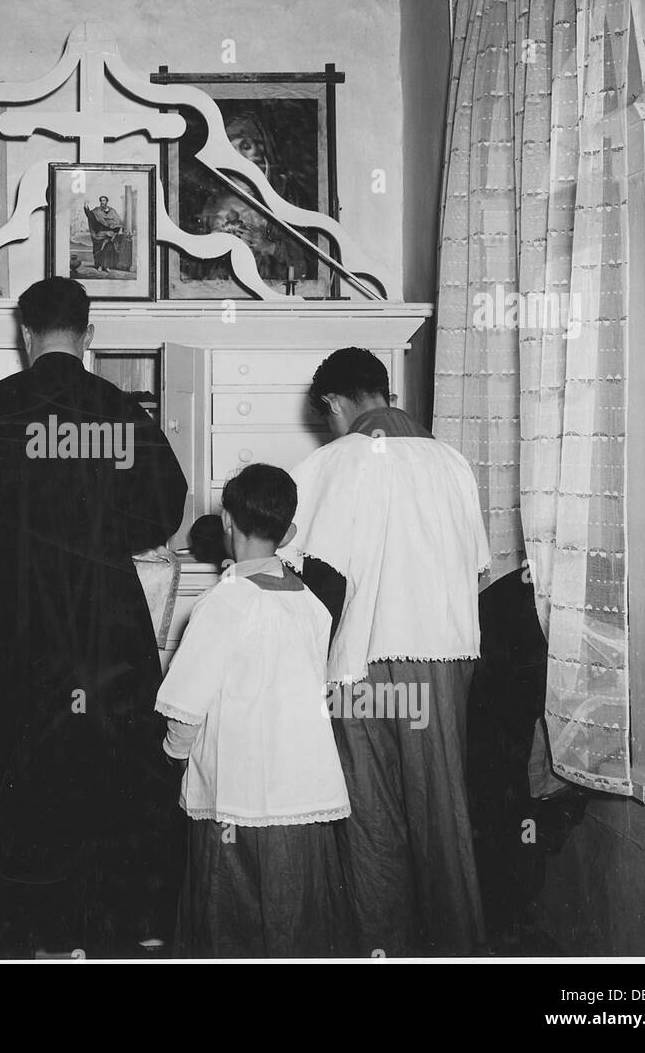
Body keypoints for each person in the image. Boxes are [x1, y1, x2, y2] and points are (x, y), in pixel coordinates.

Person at [0, 277, 188, 958]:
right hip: (101, 624)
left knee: (7, 774)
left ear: (25, 334)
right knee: (103, 771)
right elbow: (166, 507)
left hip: (8, 623)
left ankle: (9, 934)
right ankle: (103, 929)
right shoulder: (122, 415)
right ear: (88, 335)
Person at [279, 347, 491, 956]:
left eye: (328, 417)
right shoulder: (452, 461)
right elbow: (475, 567)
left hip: (363, 664)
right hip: (447, 661)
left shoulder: (331, 463)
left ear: (335, 404)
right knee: (443, 818)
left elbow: (313, 581)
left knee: (371, 819)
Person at [156, 464, 350, 957]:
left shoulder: (226, 601)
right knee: (295, 921)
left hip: (236, 800)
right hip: (302, 798)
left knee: (232, 925)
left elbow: (184, 709)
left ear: (226, 520)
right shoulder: (312, 603)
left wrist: (172, 757)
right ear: (288, 532)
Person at [83, 195, 123, 271]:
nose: (102, 202)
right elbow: (90, 216)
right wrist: (85, 207)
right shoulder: (97, 211)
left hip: (110, 234)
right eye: (101, 201)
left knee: (107, 250)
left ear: (107, 201)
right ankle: (99, 266)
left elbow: (118, 222)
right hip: (100, 234)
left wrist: (114, 232)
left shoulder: (113, 211)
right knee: (98, 251)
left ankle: (106, 266)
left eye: (104, 200)